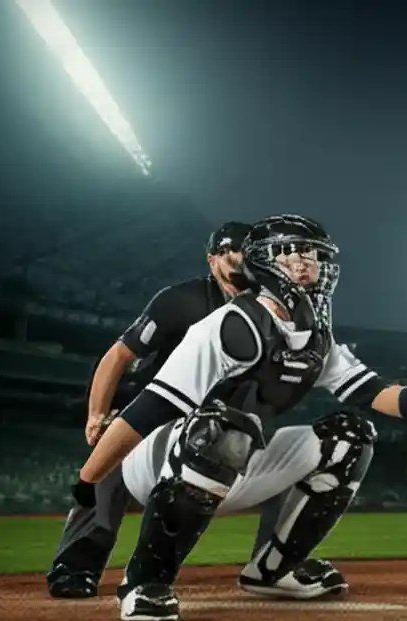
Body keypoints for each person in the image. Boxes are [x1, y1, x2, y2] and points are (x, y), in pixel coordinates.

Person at [69, 213, 407, 621]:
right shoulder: (230, 326)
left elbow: (371, 391)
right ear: (265, 262)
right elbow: (148, 409)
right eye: (295, 253)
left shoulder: (315, 334)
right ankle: (145, 583)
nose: (309, 263)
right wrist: (89, 482)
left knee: (351, 436)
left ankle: (273, 569)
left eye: (314, 254)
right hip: (162, 459)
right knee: (222, 429)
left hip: (234, 455)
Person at [46, 221, 252, 598]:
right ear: (212, 260)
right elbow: (118, 355)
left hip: (210, 423)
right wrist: (97, 413)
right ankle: (75, 566)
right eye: (228, 252)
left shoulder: (266, 310)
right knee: (109, 462)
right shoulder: (182, 300)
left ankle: (277, 562)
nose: (238, 259)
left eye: (246, 252)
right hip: (153, 409)